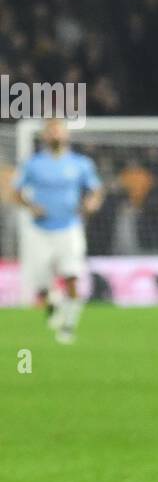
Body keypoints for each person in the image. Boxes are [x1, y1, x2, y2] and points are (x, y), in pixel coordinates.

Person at [13, 118, 103, 343]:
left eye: (58, 131)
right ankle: (53, 301)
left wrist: (92, 203)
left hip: (69, 228)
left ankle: (69, 326)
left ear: (66, 135)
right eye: (51, 131)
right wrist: (30, 206)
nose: (55, 135)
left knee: (72, 276)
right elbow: (15, 192)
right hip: (39, 231)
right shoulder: (33, 164)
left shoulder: (80, 163)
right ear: (44, 136)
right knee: (42, 287)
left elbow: (95, 190)